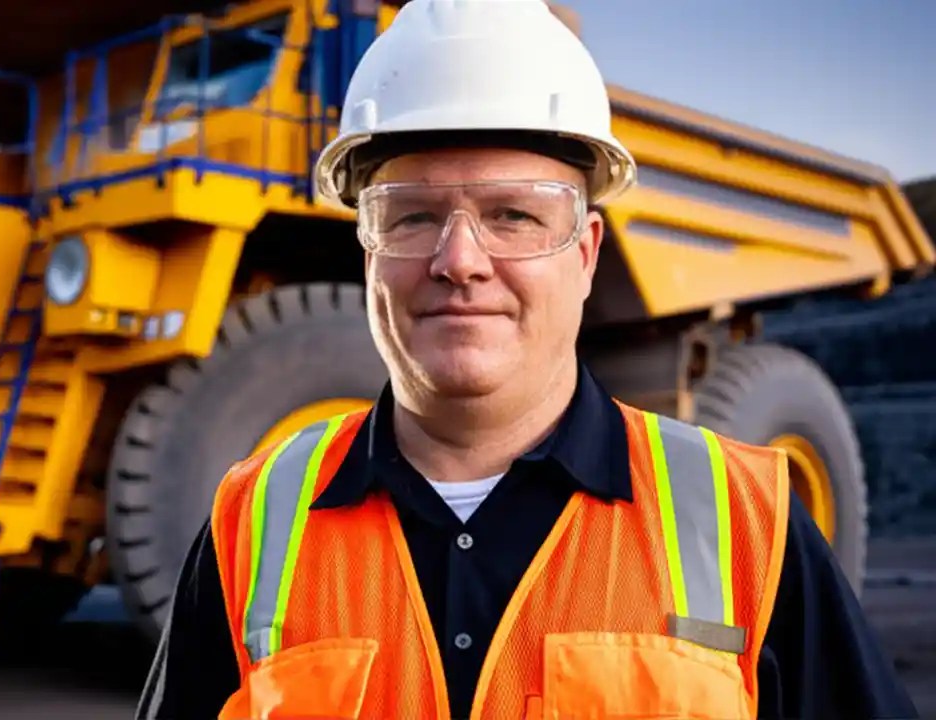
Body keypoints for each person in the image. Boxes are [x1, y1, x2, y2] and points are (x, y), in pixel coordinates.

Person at [136, 1, 919, 718]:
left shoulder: (751, 521)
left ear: (585, 254)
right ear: (366, 251)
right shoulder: (249, 526)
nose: (459, 260)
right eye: (411, 216)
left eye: (513, 214)